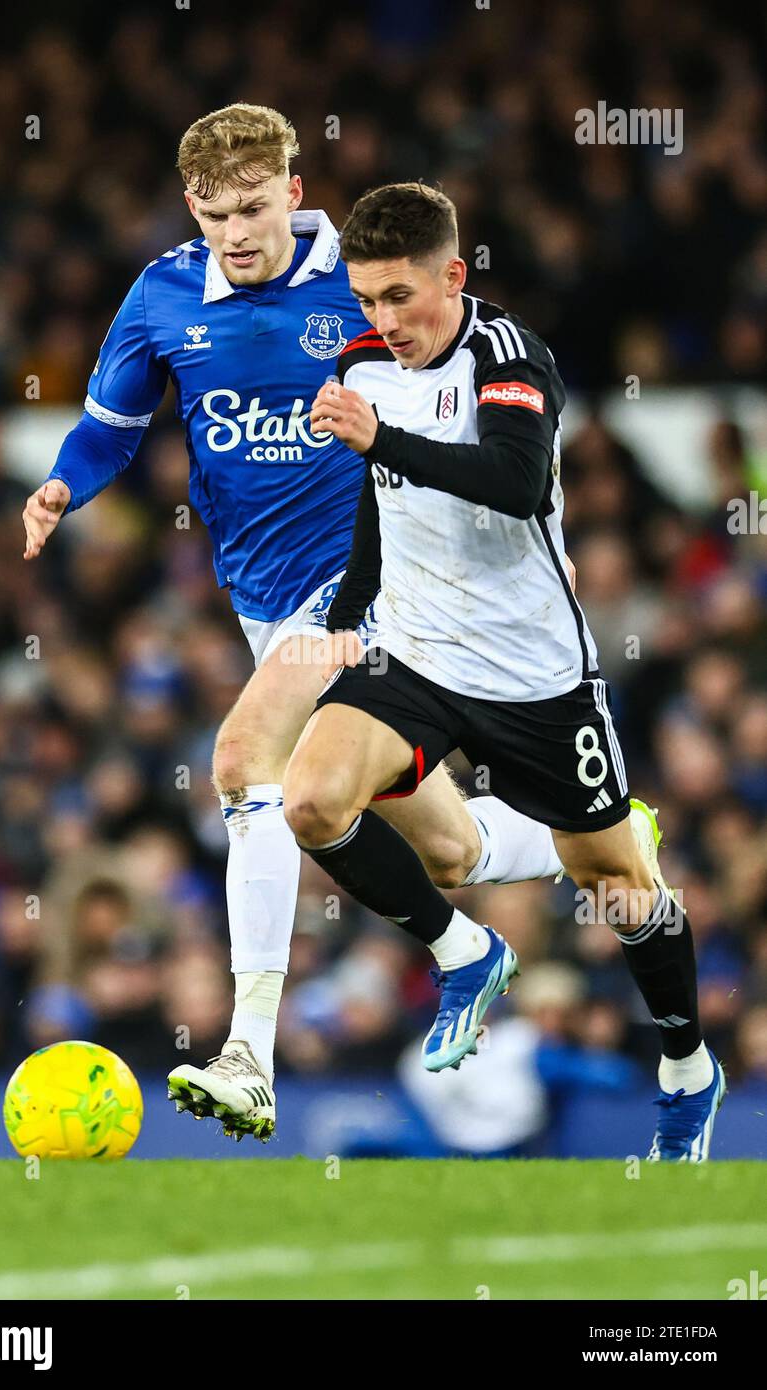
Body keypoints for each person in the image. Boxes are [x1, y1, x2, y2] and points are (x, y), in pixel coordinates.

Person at [22, 104, 582, 1143]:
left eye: (250, 207)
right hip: (261, 601)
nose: (233, 232)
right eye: (212, 213)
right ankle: (582, 842)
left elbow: (475, 352)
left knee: (243, 763)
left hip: (374, 583)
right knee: (448, 848)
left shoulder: (358, 281)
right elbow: (109, 428)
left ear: (291, 189)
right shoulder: (160, 296)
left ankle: (248, 1052)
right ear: (189, 206)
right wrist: (60, 488)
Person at [283, 181, 725, 1163]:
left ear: (450, 275)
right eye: (364, 299)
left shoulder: (508, 355)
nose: (380, 321)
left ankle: (688, 1069)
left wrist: (379, 435)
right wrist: (349, 616)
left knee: (613, 884)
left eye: (399, 296)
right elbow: (380, 497)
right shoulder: (363, 362)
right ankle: (464, 951)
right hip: (412, 652)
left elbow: (516, 482)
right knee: (310, 801)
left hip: (533, 677)